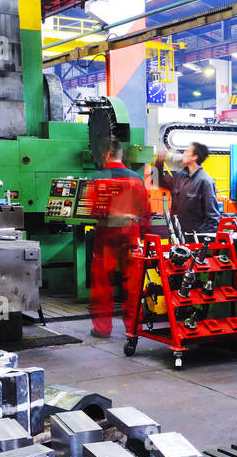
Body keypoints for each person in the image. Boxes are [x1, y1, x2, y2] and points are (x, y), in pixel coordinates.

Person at [89, 138, 149, 340]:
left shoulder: (97, 178)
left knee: (102, 284)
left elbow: (89, 209)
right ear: (120, 155)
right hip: (130, 237)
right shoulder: (136, 179)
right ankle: (133, 328)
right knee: (132, 285)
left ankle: (102, 329)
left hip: (105, 237)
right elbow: (146, 212)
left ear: (106, 155)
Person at [154, 140, 221, 237]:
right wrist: (159, 163)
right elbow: (157, 182)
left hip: (195, 240)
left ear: (194, 157)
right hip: (177, 237)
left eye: (187, 152)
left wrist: (205, 242)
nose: (183, 154)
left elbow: (213, 217)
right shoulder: (179, 177)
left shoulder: (205, 181)